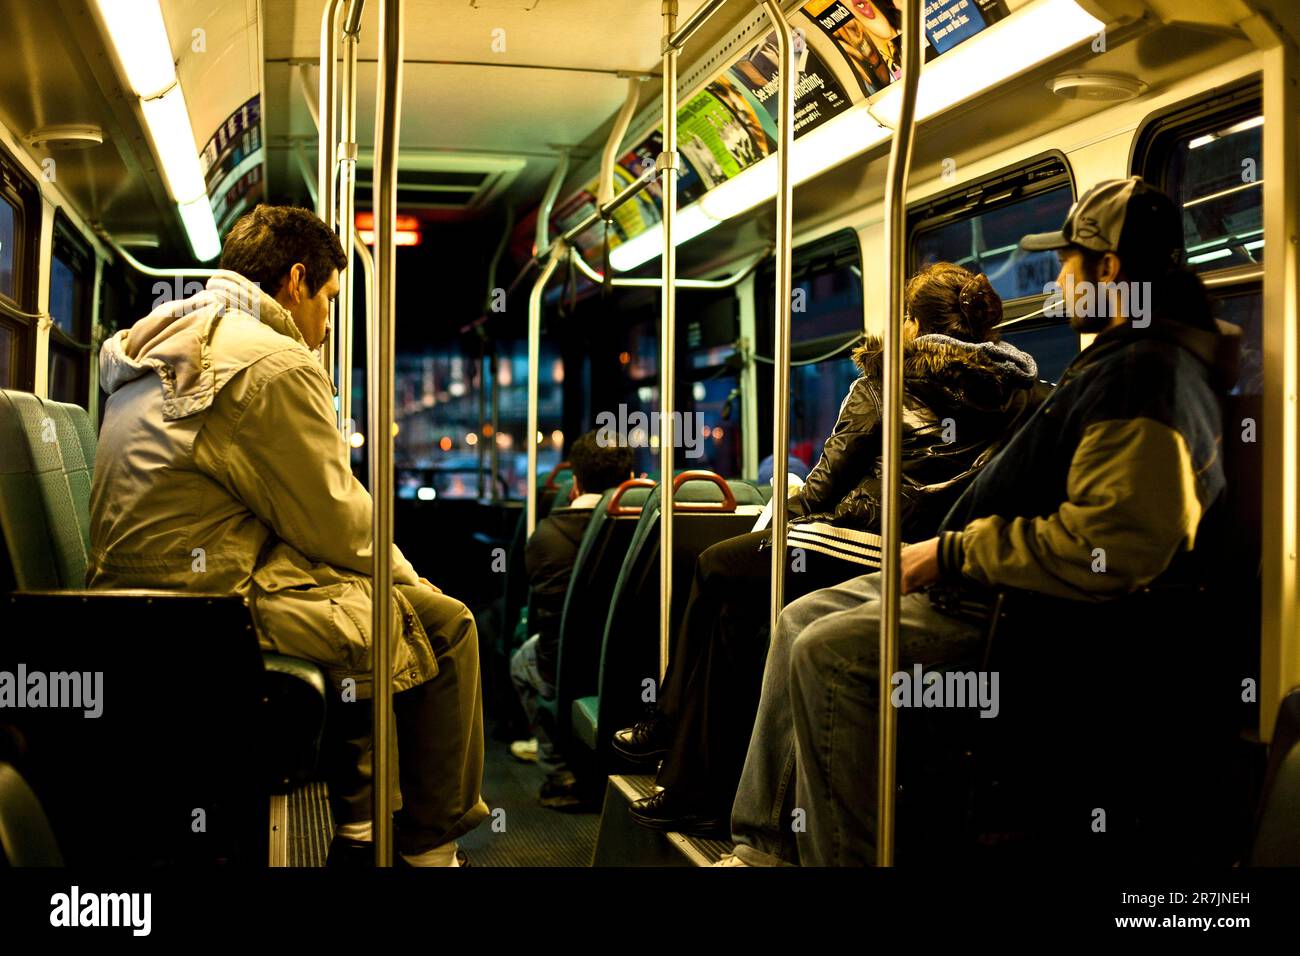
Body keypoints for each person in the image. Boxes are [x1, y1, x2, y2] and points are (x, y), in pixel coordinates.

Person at [723, 177, 1240, 866]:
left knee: (830, 652)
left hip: (1021, 615)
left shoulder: (1145, 376)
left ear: (1108, 269)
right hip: (980, 583)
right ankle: (762, 847)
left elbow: (1112, 546)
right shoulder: (1114, 362)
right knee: (796, 621)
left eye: (1068, 260)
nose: (1058, 277)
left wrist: (956, 553)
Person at [88, 204, 488, 867]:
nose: (327, 326)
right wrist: (411, 576)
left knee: (366, 607)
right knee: (441, 623)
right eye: (328, 300)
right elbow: (335, 524)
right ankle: (430, 847)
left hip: (135, 594)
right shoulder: (272, 361)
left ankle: (361, 832)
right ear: (296, 282)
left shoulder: (165, 338)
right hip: (211, 609)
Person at [618, 262, 1045, 835]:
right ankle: (696, 781)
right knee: (736, 611)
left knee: (718, 565)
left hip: (854, 542)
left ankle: (669, 729)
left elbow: (821, 489)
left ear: (913, 324)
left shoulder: (884, 379)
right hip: (932, 551)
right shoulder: (1025, 394)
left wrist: (774, 525)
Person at [509, 431, 635, 808]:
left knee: (522, 662)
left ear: (575, 483)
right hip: (636, 658)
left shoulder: (546, 535)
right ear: (629, 480)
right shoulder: (654, 527)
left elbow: (544, 612)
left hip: (568, 661)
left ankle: (559, 770)